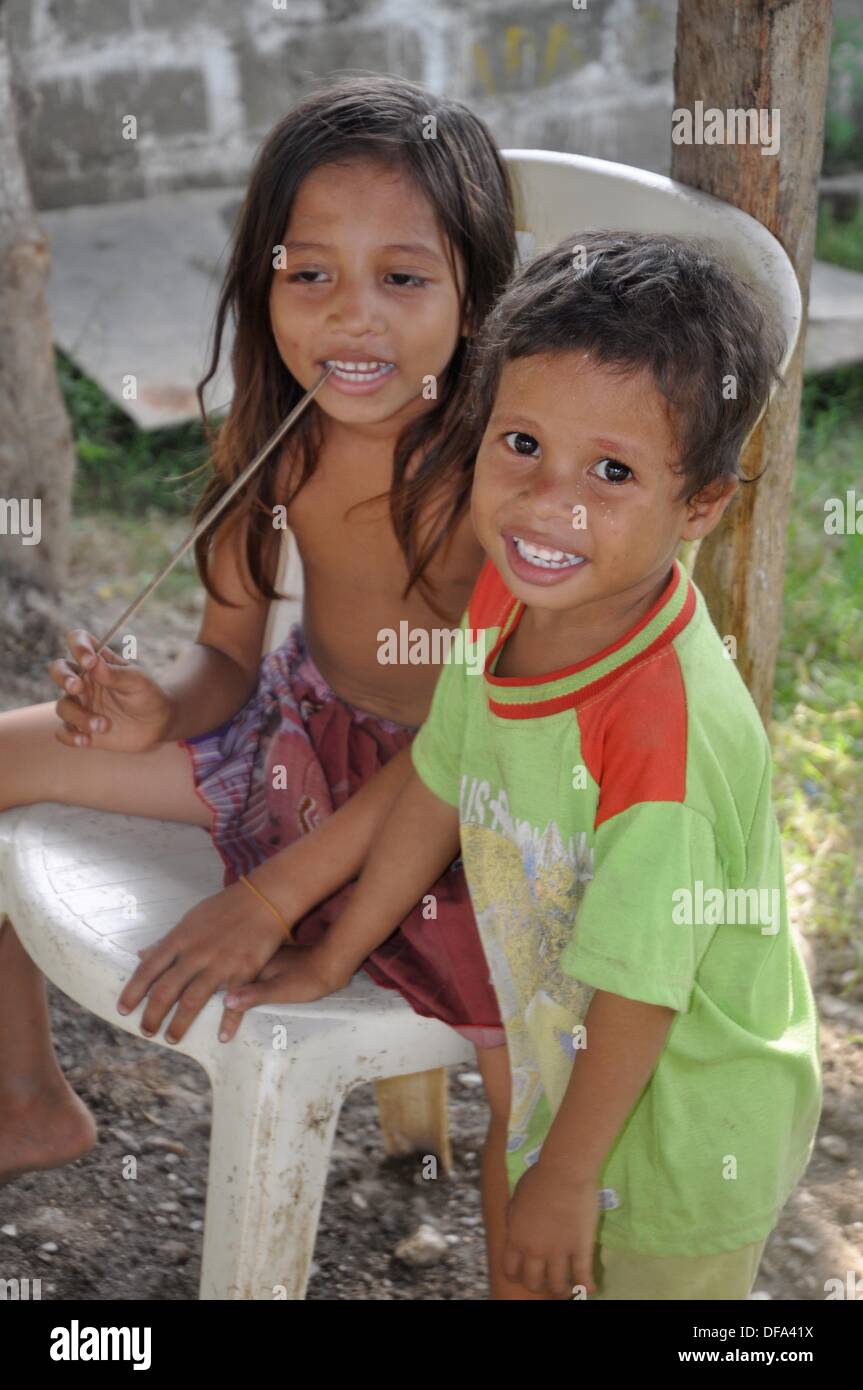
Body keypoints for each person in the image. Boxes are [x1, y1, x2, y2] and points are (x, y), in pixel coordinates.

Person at [225, 231, 823, 1300]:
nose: (550, 504)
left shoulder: (660, 724)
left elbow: (641, 993)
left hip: (681, 1139)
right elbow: (440, 780)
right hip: (569, 1079)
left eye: (611, 472)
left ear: (699, 507)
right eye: (519, 445)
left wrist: (566, 1174)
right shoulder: (508, 597)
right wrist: (329, 955)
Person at [0, 74, 517, 1183]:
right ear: (261, 284)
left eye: (402, 277)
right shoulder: (277, 438)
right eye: (310, 273)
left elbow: (465, 741)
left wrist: (271, 894)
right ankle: (25, 1098)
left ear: (475, 301)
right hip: (291, 738)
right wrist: (160, 708)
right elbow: (228, 657)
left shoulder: (496, 487)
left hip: (443, 804)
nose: (350, 314)